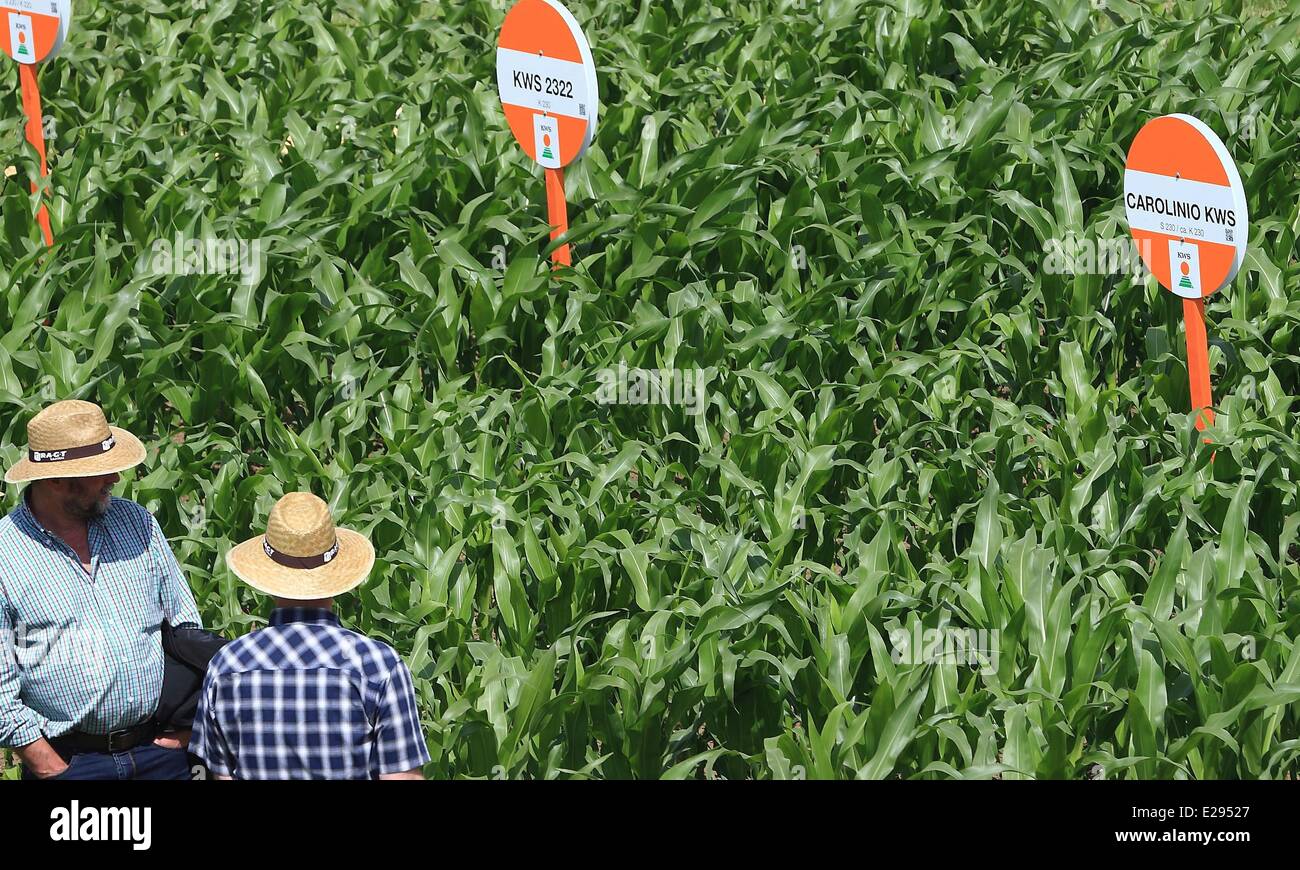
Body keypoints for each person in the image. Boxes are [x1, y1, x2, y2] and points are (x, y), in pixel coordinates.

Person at [0, 399, 202, 780]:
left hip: (160, 754)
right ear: (57, 480)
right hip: (72, 762)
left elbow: (184, 626)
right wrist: (48, 766)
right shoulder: (5, 554)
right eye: (101, 472)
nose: (115, 479)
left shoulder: (137, 523)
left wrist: (188, 728)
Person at [190, 491, 429, 779]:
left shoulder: (227, 666)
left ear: (269, 578)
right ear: (335, 575)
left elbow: (219, 775)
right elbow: (402, 777)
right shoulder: (378, 666)